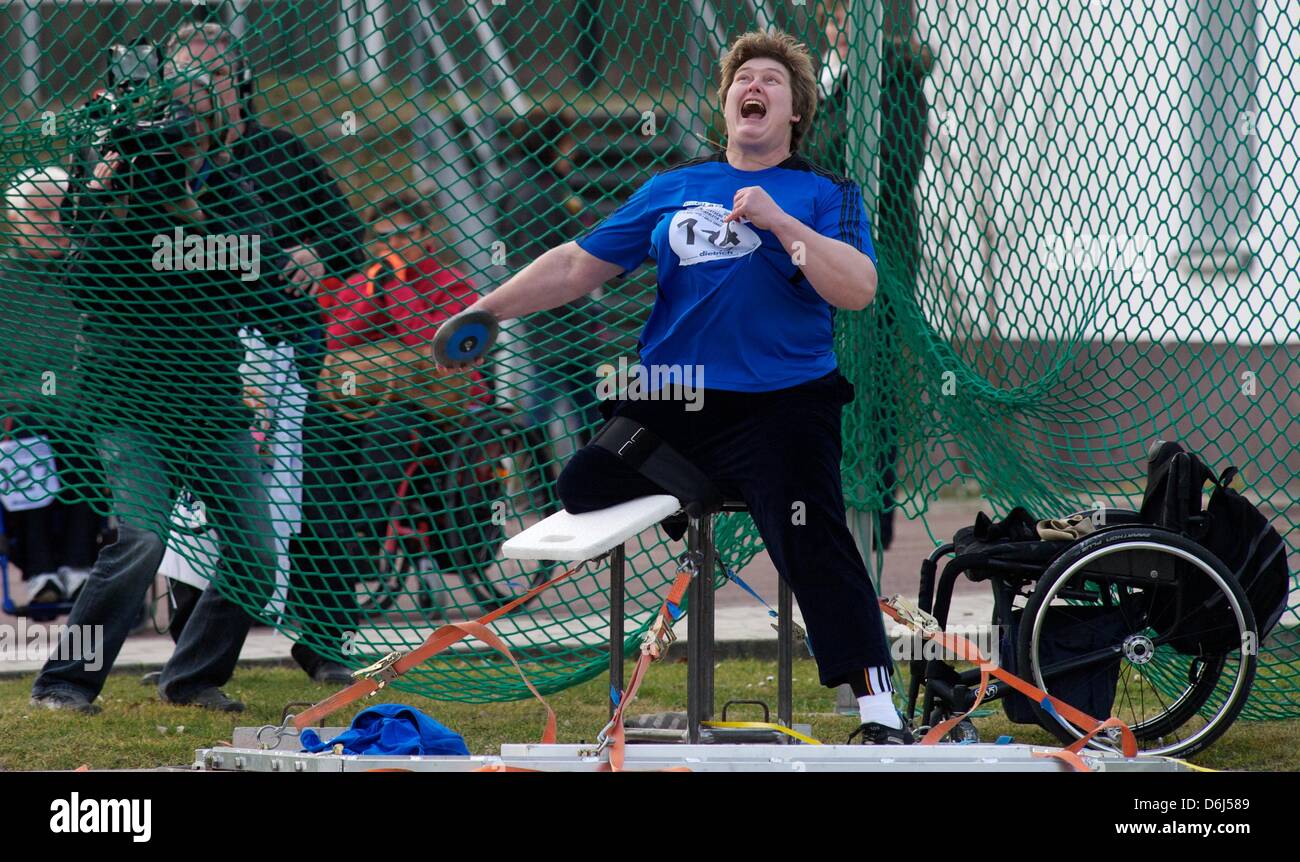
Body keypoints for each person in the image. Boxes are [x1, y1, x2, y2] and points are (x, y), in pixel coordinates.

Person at [451, 30, 911, 743]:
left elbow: (856, 289)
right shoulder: (673, 187)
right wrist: (487, 308)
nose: (753, 87)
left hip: (781, 402)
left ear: (795, 112)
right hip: (677, 399)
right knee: (584, 483)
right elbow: (577, 264)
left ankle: (878, 707)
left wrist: (779, 221)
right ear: (728, 103)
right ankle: (705, 479)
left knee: (808, 533)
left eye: (772, 81)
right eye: (742, 79)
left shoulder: (825, 193)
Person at [29, 67, 281, 714]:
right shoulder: (110, 206)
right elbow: (84, 282)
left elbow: (258, 275)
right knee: (141, 540)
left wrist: (188, 217)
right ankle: (65, 680)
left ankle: (193, 675)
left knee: (255, 551)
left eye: (186, 139)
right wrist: (106, 194)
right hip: (129, 406)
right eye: (163, 146)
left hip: (211, 404)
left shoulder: (226, 192)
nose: (171, 159)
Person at [150, 20, 368, 685]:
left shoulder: (284, 152)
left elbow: (347, 236)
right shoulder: (158, 160)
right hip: (200, 359)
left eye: (214, 77)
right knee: (199, 508)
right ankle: (195, 655)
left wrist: (316, 252)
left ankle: (323, 641)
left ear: (238, 82)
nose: (201, 92)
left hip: (290, 356)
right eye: (185, 79)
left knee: (322, 496)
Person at [286, 192, 484, 683]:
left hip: (430, 411)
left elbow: (428, 337)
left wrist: (396, 287)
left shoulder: (452, 285)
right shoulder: (362, 280)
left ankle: (366, 539)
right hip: (357, 403)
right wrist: (375, 287)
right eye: (383, 237)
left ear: (424, 236)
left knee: (389, 427)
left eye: (403, 235)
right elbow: (341, 336)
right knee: (321, 431)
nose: (392, 245)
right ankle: (333, 544)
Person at [809, 1, 931, 551]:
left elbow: (896, 161)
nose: (838, 24)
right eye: (830, 13)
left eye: (847, 12)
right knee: (825, 375)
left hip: (880, 253)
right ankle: (827, 500)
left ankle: (872, 512)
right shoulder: (825, 82)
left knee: (874, 379)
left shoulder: (896, 79)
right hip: (822, 251)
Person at [0, 168, 103, 610]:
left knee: (93, 432)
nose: (50, 222)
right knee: (26, 437)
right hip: (19, 410)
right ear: (15, 219)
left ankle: (80, 567)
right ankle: (42, 570)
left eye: (58, 210)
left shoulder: (91, 271)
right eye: (37, 212)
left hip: (84, 408)